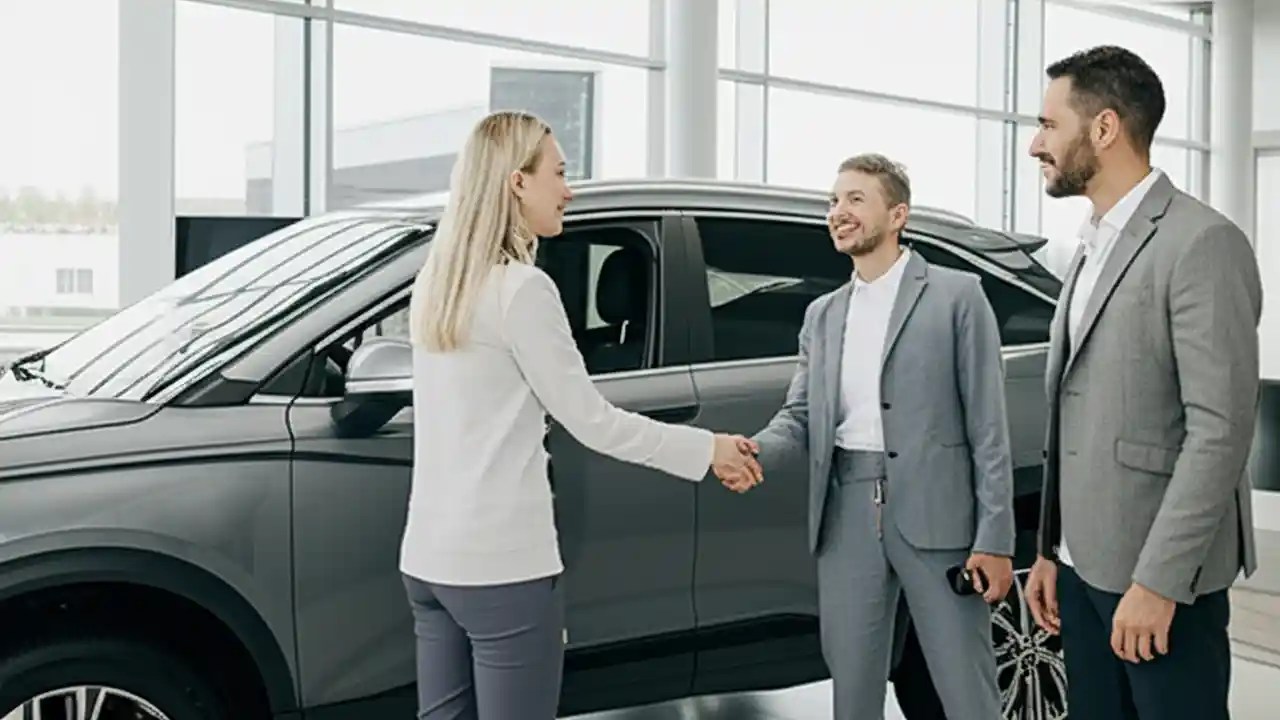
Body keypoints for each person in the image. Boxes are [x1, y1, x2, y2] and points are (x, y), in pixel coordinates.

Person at [398, 110, 762, 720]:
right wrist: (708, 451)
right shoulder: (521, 289)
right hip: (502, 567)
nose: (569, 189)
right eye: (560, 173)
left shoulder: (437, 284)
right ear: (518, 182)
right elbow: (590, 419)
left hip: (430, 564)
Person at [717, 153, 1016, 719]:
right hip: (846, 513)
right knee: (852, 693)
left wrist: (995, 538)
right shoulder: (822, 316)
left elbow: (988, 427)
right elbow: (801, 415)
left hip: (938, 513)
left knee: (966, 689)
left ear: (897, 213)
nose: (838, 212)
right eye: (834, 201)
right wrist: (752, 450)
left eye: (855, 199)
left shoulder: (958, 296)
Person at [1024, 45, 1262, 720]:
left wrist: (1159, 582)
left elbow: (1219, 430)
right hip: (1080, 566)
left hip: (1158, 577)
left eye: (1048, 125)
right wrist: (1050, 551)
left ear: (1104, 129)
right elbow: (1072, 409)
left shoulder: (1201, 243)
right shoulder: (1092, 242)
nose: (1036, 144)